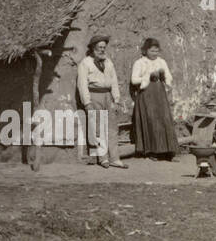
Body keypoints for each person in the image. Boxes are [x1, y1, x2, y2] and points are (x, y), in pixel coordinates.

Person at [76, 34, 127, 168]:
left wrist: (116, 99)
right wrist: (87, 103)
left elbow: (114, 82)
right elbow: (82, 84)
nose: (102, 50)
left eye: (104, 47)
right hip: (94, 95)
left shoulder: (108, 62)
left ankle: (115, 158)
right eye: (99, 47)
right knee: (98, 127)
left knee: (112, 127)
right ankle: (103, 158)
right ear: (93, 48)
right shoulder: (85, 63)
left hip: (107, 96)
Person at [130, 37, 179, 159]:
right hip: (146, 94)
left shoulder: (161, 61)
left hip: (159, 94)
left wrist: (163, 75)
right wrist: (148, 75)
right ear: (145, 50)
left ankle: (168, 151)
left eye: (156, 51)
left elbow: (169, 77)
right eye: (152, 51)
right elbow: (134, 79)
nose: (154, 53)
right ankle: (152, 151)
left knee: (164, 120)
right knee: (151, 121)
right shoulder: (140, 63)